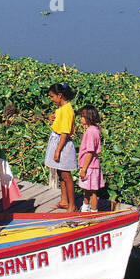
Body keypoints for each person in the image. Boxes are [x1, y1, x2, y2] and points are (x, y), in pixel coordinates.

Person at [44, 82, 78, 211]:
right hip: (57, 141)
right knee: (60, 172)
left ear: (60, 95)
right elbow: (58, 121)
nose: (52, 99)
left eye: (52, 97)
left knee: (66, 175)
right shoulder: (61, 108)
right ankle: (64, 201)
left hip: (63, 144)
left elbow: (65, 133)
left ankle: (72, 205)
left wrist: (58, 150)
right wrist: (51, 117)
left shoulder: (67, 110)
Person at [77, 107, 104, 212]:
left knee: (92, 192)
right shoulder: (94, 129)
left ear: (88, 117)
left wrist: (84, 169)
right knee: (87, 189)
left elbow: (90, 152)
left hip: (89, 166)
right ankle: (85, 208)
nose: (80, 119)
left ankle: (94, 211)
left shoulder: (91, 132)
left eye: (82, 117)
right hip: (91, 165)